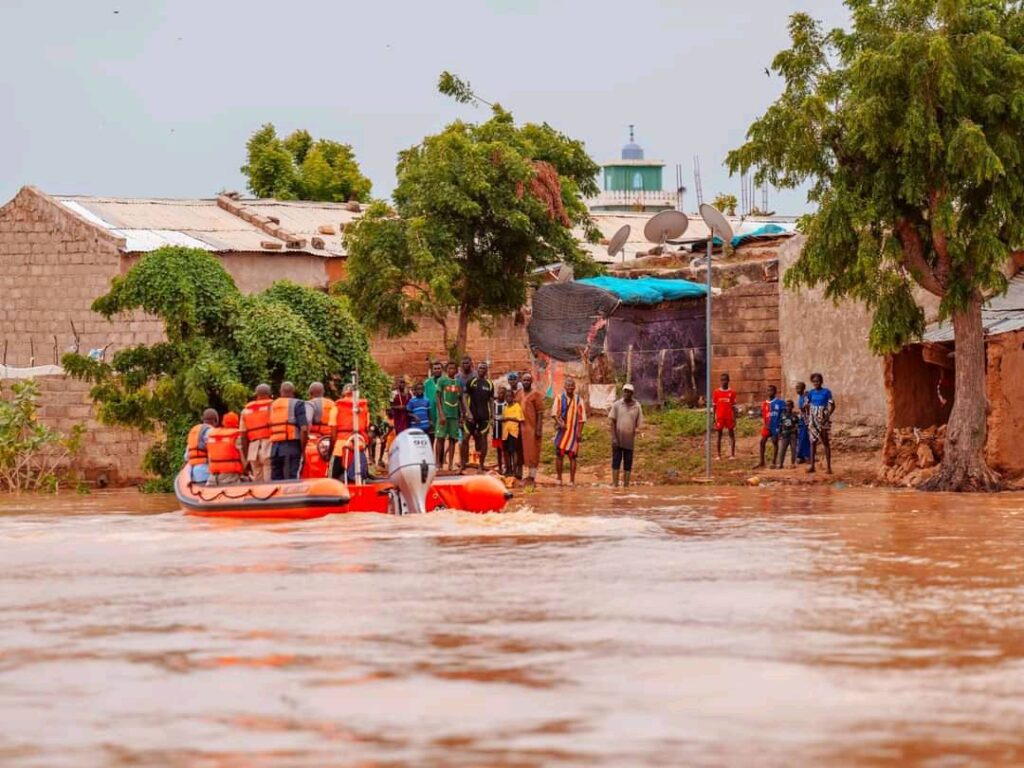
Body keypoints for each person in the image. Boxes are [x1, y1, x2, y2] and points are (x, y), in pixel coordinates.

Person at [330, 384, 371, 482]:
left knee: (333, 478)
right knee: (360, 477)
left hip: (341, 446)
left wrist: (331, 449)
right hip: (359, 444)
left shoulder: (337, 407)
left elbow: (333, 429)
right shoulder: (364, 407)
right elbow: (367, 427)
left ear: (343, 393)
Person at [269, 381, 308, 481]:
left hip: (275, 449)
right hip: (292, 447)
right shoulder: (298, 404)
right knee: (293, 478)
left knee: (276, 480)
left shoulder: (272, 405)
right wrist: (303, 449)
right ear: (293, 391)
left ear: (280, 391)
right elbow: (304, 429)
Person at [552, 377, 587, 486]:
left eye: (572, 386)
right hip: (562, 433)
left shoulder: (578, 400)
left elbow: (582, 418)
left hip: (573, 433)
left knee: (573, 457)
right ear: (565, 387)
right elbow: (554, 413)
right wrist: (559, 421)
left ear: (575, 387)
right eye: (568, 386)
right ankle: (559, 478)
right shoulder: (558, 398)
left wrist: (579, 432)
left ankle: (572, 480)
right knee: (559, 455)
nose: (570, 388)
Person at [608, 383, 643, 488]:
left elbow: (639, 423)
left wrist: (636, 431)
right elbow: (612, 422)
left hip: (629, 440)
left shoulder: (637, 406)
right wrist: (614, 437)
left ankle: (626, 485)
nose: (626, 393)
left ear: (632, 393)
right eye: (625, 391)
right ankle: (615, 484)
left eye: (628, 392)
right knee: (616, 461)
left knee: (628, 463)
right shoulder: (617, 405)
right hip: (617, 439)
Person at [464, 361, 495, 472]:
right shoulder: (471, 382)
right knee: (465, 438)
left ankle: (481, 465)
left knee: (483, 440)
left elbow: (491, 401)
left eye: (484, 368)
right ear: (477, 369)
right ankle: (464, 464)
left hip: (484, 417)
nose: (482, 370)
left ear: (486, 370)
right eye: (480, 368)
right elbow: (464, 397)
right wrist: (468, 412)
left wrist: (493, 416)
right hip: (472, 416)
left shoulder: (489, 384)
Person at [239, 383, 273, 482]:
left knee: (258, 483)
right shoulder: (273, 406)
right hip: (269, 447)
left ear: (256, 395)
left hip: (253, 450)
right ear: (270, 394)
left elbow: (243, 437)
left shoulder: (246, 410)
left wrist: (247, 459)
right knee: (269, 481)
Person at [435, 361, 464, 471]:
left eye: (453, 368)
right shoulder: (441, 381)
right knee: (440, 438)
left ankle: (450, 464)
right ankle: (438, 463)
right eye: (449, 368)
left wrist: (461, 415)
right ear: (446, 370)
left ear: (456, 370)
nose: (451, 370)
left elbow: (460, 399)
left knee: (453, 439)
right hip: (444, 415)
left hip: (454, 416)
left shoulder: (458, 382)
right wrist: (441, 413)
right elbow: (437, 397)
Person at [806, 372, 836, 474]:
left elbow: (832, 406)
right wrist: (808, 415)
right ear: (812, 382)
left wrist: (826, 417)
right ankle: (812, 466)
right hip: (813, 418)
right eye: (814, 381)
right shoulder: (810, 393)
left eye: (818, 381)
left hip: (823, 418)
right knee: (812, 442)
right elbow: (806, 405)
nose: (816, 383)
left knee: (825, 441)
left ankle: (828, 467)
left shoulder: (827, 392)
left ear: (821, 381)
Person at [520, 372, 545, 485]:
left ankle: (532, 476)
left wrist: (538, 428)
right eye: (524, 380)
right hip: (522, 428)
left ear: (531, 381)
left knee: (533, 451)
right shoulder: (519, 393)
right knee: (524, 452)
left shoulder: (536, 394)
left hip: (532, 427)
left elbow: (540, 412)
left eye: (528, 380)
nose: (526, 382)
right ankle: (525, 474)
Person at [206, 411, 244, 485]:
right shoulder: (236, 435)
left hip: (212, 477)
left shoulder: (212, 435)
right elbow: (243, 457)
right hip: (230, 477)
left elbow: (209, 457)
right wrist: (245, 470)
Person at [755, 385, 786, 470]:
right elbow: (764, 415)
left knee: (775, 442)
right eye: (768, 390)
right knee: (762, 442)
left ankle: (774, 462)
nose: (770, 392)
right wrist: (765, 424)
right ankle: (762, 461)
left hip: (776, 426)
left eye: (772, 390)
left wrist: (781, 426)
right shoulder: (765, 404)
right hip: (767, 426)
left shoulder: (780, 402)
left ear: (775, 392)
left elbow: (783, 414)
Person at [185, 408, 219, 484]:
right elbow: (215, 453)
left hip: (192, 474)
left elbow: (186, 456)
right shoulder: (211, 431)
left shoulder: (194, 431)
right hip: (206, 473)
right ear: (216, 421)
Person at [712, 373, 738, 460]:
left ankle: (732, 455)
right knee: (719, 435)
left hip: (729, 417)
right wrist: (713, 417)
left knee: (731, 434)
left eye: (725, 380)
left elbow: (734, 407)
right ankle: (719, 455)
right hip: (720, 417)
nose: (724, 382)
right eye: (722, 380)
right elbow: (714, 406)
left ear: (728, 381)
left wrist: (735, 418)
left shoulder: (732, 392)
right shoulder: (716, 392)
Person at [501, 387, 524, 479]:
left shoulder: (517, 406)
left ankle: (515, 471)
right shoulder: (505, 407)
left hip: (513, 432)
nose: (508, 398)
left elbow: (519, 419)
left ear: (513, 397)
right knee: (506, 452)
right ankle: (508, 469)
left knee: (513, 451)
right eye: (506, 396)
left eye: (510, 396)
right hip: (505, 432)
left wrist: (508, 418)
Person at [456, 356, 474, 469]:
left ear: (471, 363)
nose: (465, 365)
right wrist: (461, 413)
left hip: (475, 410)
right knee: (463, 438)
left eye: (467, 363)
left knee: (477, 438)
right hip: (462, 411)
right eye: (463, 363)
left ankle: (476, 461)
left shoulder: (476, 376)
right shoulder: (457, 378)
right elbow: (457, 397)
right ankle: (464, 461)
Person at [774, 401, 800, 469]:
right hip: (785, 434)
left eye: (790, 406)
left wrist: (796, 430)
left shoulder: (795, 416)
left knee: (793, 449)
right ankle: (780, 464)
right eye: (787, 406)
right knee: (782, 449)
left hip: (793, 435)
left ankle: (793, 463)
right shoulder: (783, 415)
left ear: (792, 407)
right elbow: (780, 425)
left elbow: (799, 424)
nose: (788, 407)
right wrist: (779, 433)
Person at [423, 361, 444, 446]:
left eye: (439, 368)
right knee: (430, 439)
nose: (437, 370)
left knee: (441, 439)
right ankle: (430, 458)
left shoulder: (445, 381)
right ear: (432, 370)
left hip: (442, 414)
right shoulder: (427, 383)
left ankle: (440, 459)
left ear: (442, 369)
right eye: (435, 369)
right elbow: (425, 400)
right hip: (431, 414)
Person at [493, 384, 508, 475]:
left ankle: (506, 466)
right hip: (496, 430)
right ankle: (499, 468)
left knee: (505, 450)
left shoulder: (506, 403)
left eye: (503, 393)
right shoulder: (494, 403)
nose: (501, 395)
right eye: (499, 393)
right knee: (498, 450)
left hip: (504, 430)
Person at [795, 381, 811, 463]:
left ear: (803, 388)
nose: (797, 390)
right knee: (801, 437)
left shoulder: (806, 396)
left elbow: (807, 407)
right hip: (801, 419)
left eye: (799, 388)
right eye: (796, 388)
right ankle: (801, 456)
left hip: (806, 420)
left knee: (805, 437)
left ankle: (807, 456)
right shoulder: (800, 397)